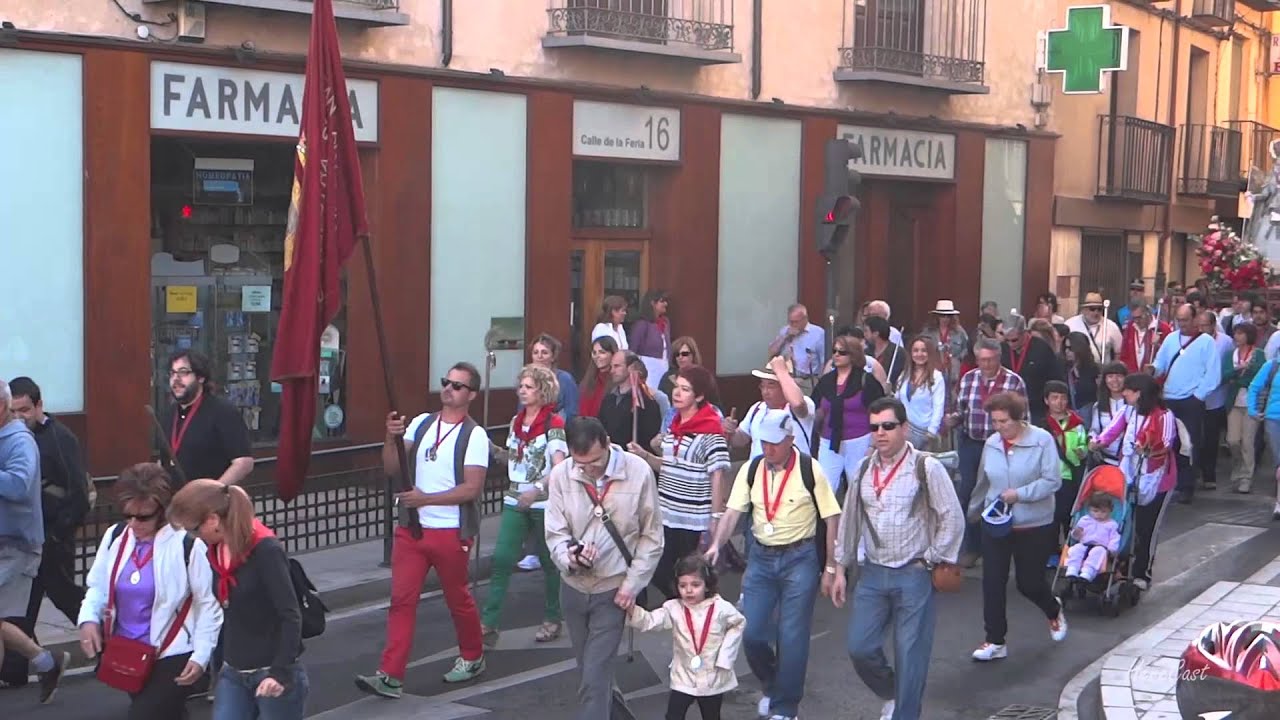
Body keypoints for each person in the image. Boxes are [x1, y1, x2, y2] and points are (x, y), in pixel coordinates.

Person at [353, 363, 489, 697]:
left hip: (450, 531)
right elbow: (391, 466)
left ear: (471, 395)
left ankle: (472, 656)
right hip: (412, 531)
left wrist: (426, 499)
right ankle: (390, 675)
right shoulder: (421, 424)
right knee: (401, 601)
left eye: (457, 386)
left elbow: (472, 488)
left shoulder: (475, 436)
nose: (448, 389)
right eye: (446, 382)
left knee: (458, 598)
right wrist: (390, 436)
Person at [830, 397, 964, 720]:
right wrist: (839, 568)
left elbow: (953, 518)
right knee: (859, 648)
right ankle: (891, 692)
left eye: (888, 426)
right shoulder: (863, 468)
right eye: (874, 427)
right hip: (873, 573)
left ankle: (905, 712)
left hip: (914, 573)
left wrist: (933, 557)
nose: (880, 433)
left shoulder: (926, 467)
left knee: (910, 656)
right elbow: (850, 519)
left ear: (904, 428)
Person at [703, 408, 841, 720]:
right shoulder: (752, 469)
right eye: (764, 442)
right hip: (762, 559)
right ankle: (772, 684)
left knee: (792, 636)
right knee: (751, 633)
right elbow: (733, 513)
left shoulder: (810, 469)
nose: (768, 449)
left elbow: (832, 517)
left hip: (800, 559)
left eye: (775, 443)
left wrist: (831, 566)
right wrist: (716, 545)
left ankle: (785, 707)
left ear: (791, 440)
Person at [77, 463, 222, 718]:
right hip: (129, 650)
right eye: (127, 515)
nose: (134, 523)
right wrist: (88, 619)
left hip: (173, 653)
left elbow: (207, 604)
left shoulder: (186, 546)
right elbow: (98, 586)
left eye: (143, 517)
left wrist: (200, 655)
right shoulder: (115, 537)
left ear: (163, 511)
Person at [544, 417, 664, 720]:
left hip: (613, 588)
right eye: (581, 464)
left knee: (595, 674)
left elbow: (652, 537)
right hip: (572, 587)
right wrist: (569, 558)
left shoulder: (637, 472)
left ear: (608, 442)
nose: (589, 469)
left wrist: (632, 584)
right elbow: (555, 532)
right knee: (589, 669)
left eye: (596, 461)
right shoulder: (561, 474)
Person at [169, 479, 306, 720]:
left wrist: (279, 673)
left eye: (194, 528)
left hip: (272, 671)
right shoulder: (214, 550)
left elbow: (291, 615)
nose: (194, 536)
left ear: (212, 520)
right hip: (234, 671)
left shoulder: (266, 551)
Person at [967, 392, 1067, 661]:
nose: (999, 427)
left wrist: (1020, 494)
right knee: (992, 582)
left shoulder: (1042, 441)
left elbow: (1052, 481)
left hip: (1034, 523)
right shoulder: (991, 443)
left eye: (1004, 422)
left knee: (1029, 583)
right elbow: (983, 482)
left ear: (1019, 419)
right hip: (997, 522)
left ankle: (1052, 609)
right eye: (995, 422)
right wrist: (972, 513)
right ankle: (995, 640)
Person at [629, 365, 730, 600]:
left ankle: (694, 608)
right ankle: (681, 604)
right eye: (677, 387)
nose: (677, 393)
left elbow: (718, 475)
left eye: (685, 389)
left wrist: (715, 518)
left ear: (700, 396)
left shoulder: (711, 431)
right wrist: (644, 456)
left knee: (689, 572)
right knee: (657, 568)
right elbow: (668, 466)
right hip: (666, 511)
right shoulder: (674, 426)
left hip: (692, 517)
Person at [483, 365, 566, 645]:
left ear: (542, 391)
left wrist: (538, 488)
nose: (522, 390)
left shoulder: (553, 424)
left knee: (549, 562)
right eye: (521, 386)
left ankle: (553, 617)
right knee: (502, 559)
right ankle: (488, 621)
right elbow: (516, 458)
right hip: (515, 497)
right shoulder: (516, 421)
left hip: (543, 502)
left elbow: (559, 466)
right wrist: (493, 451)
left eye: (528, 387)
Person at [0, 379, 69, 703]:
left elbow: (17, 485)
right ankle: (46, 662)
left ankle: (46, 663)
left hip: (16, 545)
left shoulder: (20, 441)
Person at [9, 376, 89, 627]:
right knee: (20, 613)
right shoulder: (11, 438)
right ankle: (33, 664)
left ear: (39, 405)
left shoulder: (59, 438)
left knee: (66, 599)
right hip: (23, 540)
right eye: (13, 411)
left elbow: (78, 494)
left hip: (51, 540)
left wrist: (56, 535)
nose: (20, 417)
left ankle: (107, 646)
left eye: (25, 410)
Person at [626, 554, 745, 720]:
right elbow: (650, 621)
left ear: (707, 585)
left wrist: (725, 657)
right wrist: (632, 610)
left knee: (711, 716)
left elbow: (738, 623)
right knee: (673, 715)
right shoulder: (673, 608)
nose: (688, 590)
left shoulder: (721, 608)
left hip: (713, 676)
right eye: (683, 585)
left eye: (695, 585)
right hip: (684, 676)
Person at [1090, 373, 1178, 588]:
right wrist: (1097, 442)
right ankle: (1118, 567)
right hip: (1128, 473)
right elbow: (1112, 430)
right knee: (1123, 522)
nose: (1124, 392)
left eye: (1128, 390)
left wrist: (1146, 449)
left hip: (1156, 479)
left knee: (1147, 527)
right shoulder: (1128, 410)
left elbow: (1166, 443)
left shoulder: (1164, 415)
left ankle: (1142, 573)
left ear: (1139, 393)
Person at [948, 338, 1028, 567]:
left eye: (991, 360)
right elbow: (960, 410)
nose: (986, 364)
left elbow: (1025, 418)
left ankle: (1000, 546)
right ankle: (972, 547)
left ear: (999, 359)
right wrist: (952, 420)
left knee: (1000, 494)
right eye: (982, 360)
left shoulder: (1014, 382)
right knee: (969, 493)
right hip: (971, 442)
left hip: (1001, 446)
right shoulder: (968, 379)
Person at [1151, 304, 1221, 504]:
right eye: (1178, 320)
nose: (1181, 324)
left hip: (1190, 401)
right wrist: (1152, 370)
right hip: (1169, 398)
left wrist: (1198, 396)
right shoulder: (1171, 339)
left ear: (1195, 319)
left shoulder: (1206, 342)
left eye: (1185, 320)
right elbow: (1161, 364)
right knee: (1168, 442)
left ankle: (1186, 485)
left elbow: (1213, 374)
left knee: (1189, 444)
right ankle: (1169, 483)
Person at [156, 351, 253, 488]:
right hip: (176, 502)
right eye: (172, 373)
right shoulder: (169, 413)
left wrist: (211, 492)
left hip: (211, 504)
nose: (176, 379)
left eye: (183, 372)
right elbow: (164, 460)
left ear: (200, 377)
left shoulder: (223, 411)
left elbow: (243, 463)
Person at [812, 329, 885, 495]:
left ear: (853, 355)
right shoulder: (826, 381)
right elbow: (814, 406)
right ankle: (829, 521)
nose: (836, 355)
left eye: (842, 352)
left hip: (859, 441)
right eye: (834, 351)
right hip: (829, 441)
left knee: (859, 490)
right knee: (824, 490)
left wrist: (873, 445)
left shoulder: (866, 380)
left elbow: (880, 412)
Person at [1041, 380, 1087, 564]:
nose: (1059, 402)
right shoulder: (1042, 426)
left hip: (1071, 477)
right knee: (1051, 518)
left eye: (1063, 398)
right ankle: (1052, 552)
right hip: (1049, 477)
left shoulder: (1077, 424)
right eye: (1054, 398)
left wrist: (1082, 451)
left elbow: (1083, 444)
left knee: (1070, 516)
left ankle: (1072, 553)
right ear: (1046, 401)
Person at [1223, 322, 1265, 493]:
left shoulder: (1258, 354)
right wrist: (1237, 371)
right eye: (1236, 333)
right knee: (1232, 440)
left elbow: (1260, 376)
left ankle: (1246, 477)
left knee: (1248, 441)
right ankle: (1238, 465)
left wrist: (1239, 379)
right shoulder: (1229, 354)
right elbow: (1224, 375)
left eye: (1241, 333)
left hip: (1251, 403)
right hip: (1234, 402)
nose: (1237, 337)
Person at [1001, 312, 1064, 424]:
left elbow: (1055, 378)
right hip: (1008, 408)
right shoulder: (1002, 349)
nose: (1010, 344)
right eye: (1007, 340)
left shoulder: (1041, 348)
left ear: (1025, 333)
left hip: (1036, 409)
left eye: (1014, 340)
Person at [597, 351, 662, 451]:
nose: (612, 371)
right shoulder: (608, 399)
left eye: (617, 366)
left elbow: (648, 440)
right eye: (611, 366)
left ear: (631, 368)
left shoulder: (645, 403)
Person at [895, 337, 946, 451]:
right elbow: (898, 401)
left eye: (924, 350)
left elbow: (938, 406)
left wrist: (932, 431)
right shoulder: (904, 375)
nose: (919, 354)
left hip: (924, 432)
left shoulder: (936, 377)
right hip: (904, 429)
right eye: (916, 350)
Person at [1063, 492, 1121, 583]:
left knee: (1097, 553)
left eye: (1103, 512)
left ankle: (1088, 572)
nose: (1099, 514)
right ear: (1089, 510)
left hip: (1101, 547)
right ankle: (1072, 569)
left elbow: (1115, 538)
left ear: (1110, 511)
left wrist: (1112, 549)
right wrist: (1076, 533)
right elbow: (1076, 535)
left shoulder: (1112, 524)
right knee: (1075, 549)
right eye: (1095, 511)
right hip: (1084, 544)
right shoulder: (1085, 520)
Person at [768, 304, 826, 394]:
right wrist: (785, 337)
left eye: (796, 322)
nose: (793, 325)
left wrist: (821, 382)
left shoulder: (818, 334)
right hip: (787, 379)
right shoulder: (785, 331)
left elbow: (824, 361)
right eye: (791, 322)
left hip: (808, 381)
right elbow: (772, 353)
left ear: (805, 319)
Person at [1083, 363, 1129, 467]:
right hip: (1105, 461)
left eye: (1119, 376)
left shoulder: (1133, 405)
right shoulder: (1098, 406)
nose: (1115, 380)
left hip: (1128, 462)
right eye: (1110, 376)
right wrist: (1093, 441)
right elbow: (1094, 430)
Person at [918, 299, 969, 394]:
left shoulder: (960, 332)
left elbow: (966, 349)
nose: (945, 318)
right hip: (933, 369)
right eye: (942, 315)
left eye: (948, 316)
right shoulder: (928, 331)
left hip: (953, 372)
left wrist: (957, 360)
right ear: (937, 316)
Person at [630, 289, 672, 388]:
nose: (666, 304)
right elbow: (633, 350)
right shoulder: (642, 324)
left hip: (664, 368)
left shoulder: (665, 322)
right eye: (662, 301)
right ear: (652, 303)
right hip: (648, 369)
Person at [1066, 293, 1123, 365]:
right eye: (1092, 309)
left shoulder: (1111, 326)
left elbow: (1119, 352)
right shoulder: (1070, 324)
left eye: (1099, 309)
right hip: (1077, 370)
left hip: (1102, 370)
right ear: (1084, 310)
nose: (1096, 313)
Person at [578, 336, 619, 418]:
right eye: (594, 352)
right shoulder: (589, 380)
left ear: (613, 354)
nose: (597, 356)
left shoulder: (618, 381)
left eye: (602, 352)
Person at [1064, 332, 1099, 411]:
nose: (1067, 351)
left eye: (1070, 348)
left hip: (1091, 414)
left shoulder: (1095, 370)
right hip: (1070, 415)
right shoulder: (1064, 370)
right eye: (1065, 348)